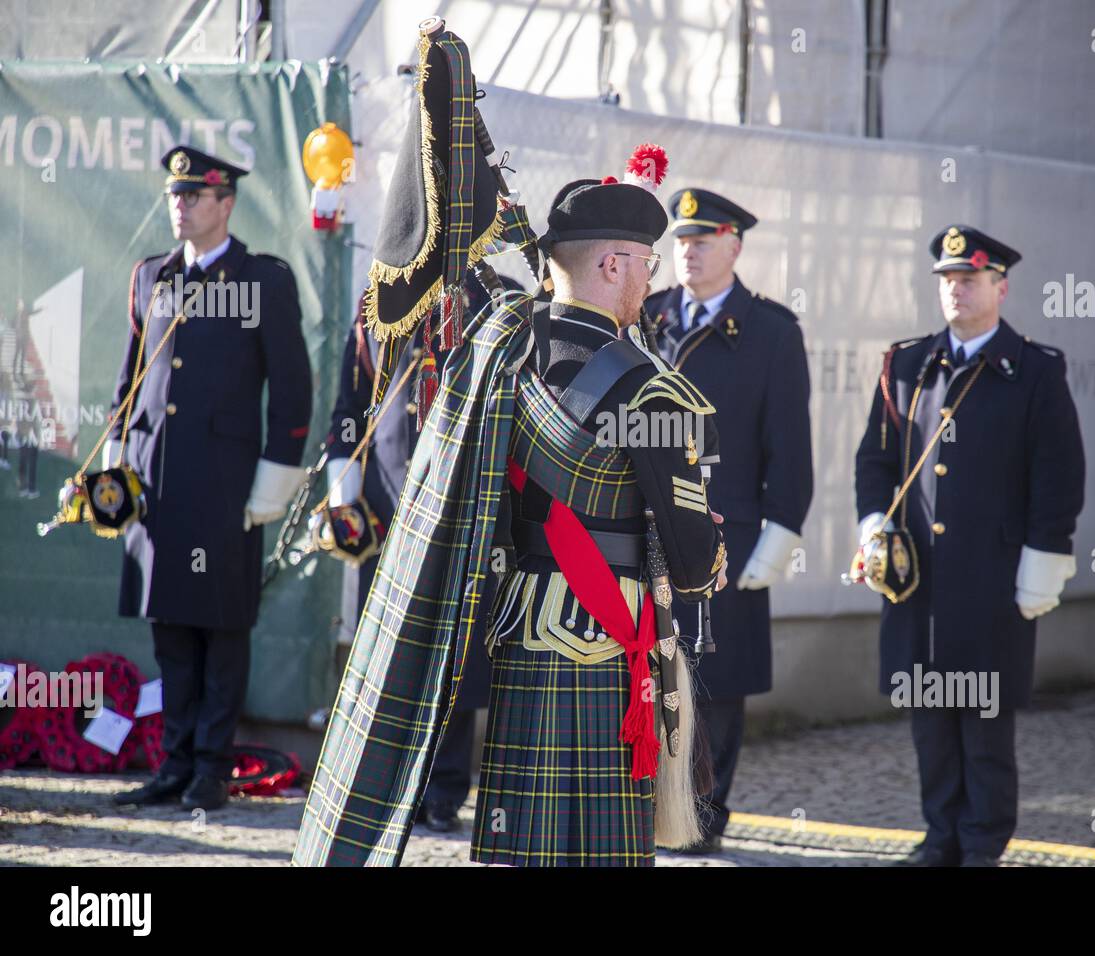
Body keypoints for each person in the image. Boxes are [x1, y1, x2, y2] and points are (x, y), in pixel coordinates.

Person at [294, 147, 728, 867]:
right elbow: (692, 567)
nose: (651, 283)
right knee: (599, 850)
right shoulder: (651, 391)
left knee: (519, 842)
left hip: (519, 634)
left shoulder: (500, 355)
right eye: (646, 264)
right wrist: (695, 544)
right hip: (604, 643)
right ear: (612, 265)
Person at [853, 225, 1085, 866]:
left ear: (1000, 287)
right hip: (917, 581)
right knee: (930, 722)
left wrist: (1044, 559)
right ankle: (941, 836)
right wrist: (874, 525)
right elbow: (874, 460)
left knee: (983, 726)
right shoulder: (907, 363)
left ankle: (982, 842)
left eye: (970, 279)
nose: (956, 289)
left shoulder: (1035, 370)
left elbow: (1058, 474)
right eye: (948, 280)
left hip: (992, 580)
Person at [108, 146, 313, 813]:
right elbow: (131, 378)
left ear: (226, 204)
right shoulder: (151, 278)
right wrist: (115, 457)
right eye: (175, 195)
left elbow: (292, 390)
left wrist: (273, 481)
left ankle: (210, 771)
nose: (181, 206)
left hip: (225, 487)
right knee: (169, 628)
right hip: (157, 484)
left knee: (220, 631)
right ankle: (172, 765)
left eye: (195, 196)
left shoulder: (261, 282)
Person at [644, 188, 813, 853]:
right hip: (651, 529)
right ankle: (653, 808)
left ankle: (704, 815)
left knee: (716, 680)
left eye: (702, 240)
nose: (688, 251)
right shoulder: (650, 316)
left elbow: (789, 448)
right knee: (653, 672)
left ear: (735, 246)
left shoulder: (770, 329)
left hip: (729, 533)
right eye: (681, 241)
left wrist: (780, 532)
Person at [322, 275, 518, 832]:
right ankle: (385, 785)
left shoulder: (498, 297)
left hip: (466, 501)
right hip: (388, 505)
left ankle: (444, 789)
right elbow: (351, 403)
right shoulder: (376, 298)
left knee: (455, 653)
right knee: (387, 653)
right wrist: (345, 486)